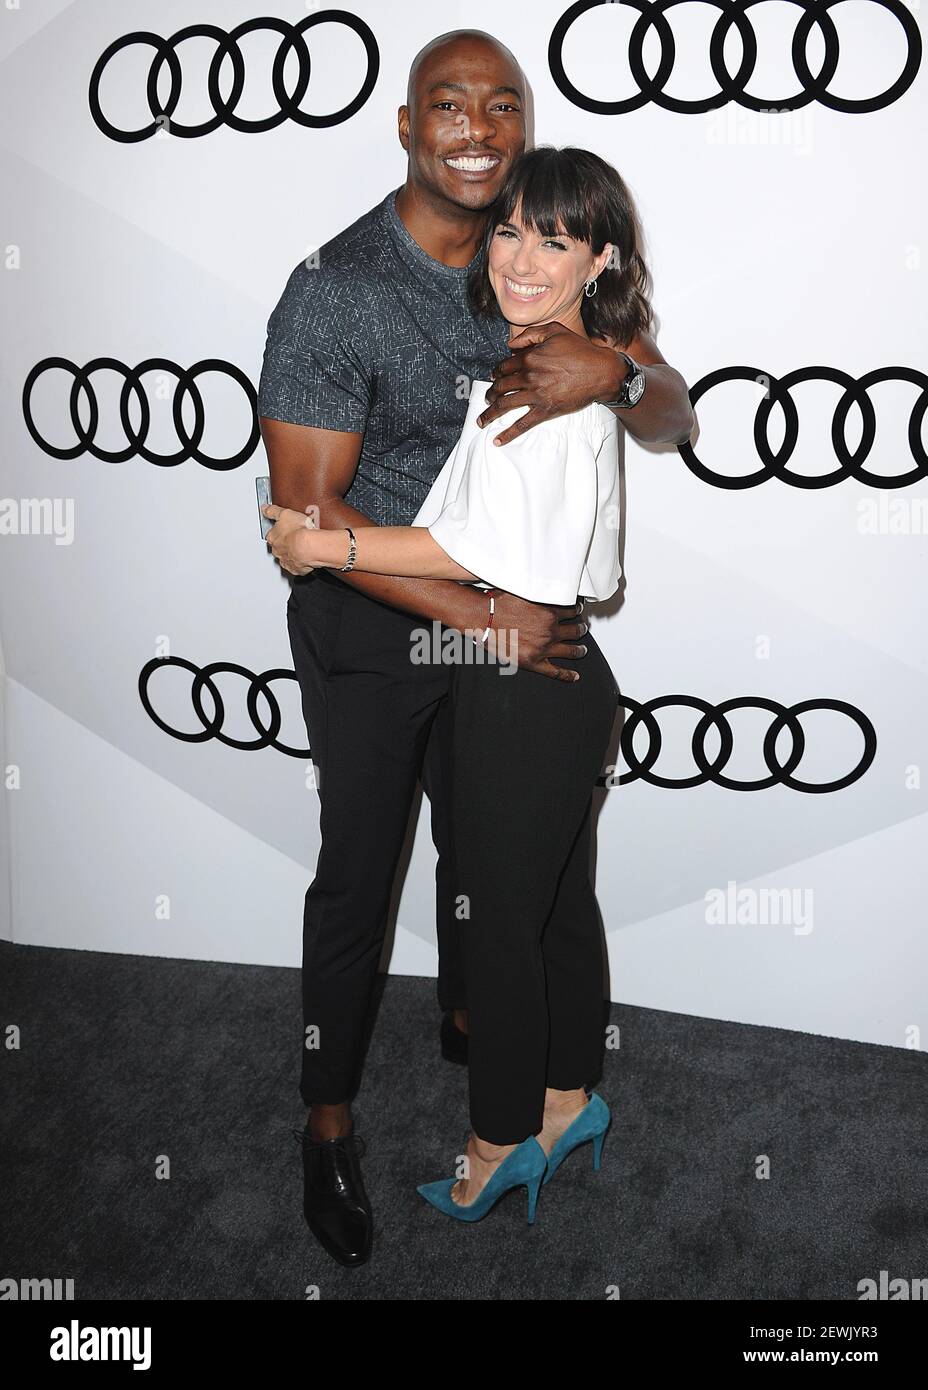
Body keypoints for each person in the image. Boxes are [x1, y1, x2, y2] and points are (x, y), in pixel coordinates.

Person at [257, 30, 694, 1265]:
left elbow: (676, 414)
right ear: (405, 125)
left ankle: (493, 1057)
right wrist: (479, 616)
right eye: (447, 104)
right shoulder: (337, 292)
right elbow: (310, 525)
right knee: (358, 874)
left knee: (504, 875)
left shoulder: (547, 254)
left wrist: (611, 369)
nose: (476, 127)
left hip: (511, 630)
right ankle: (327, 1117)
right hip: (381, 621)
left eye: (501, 104)